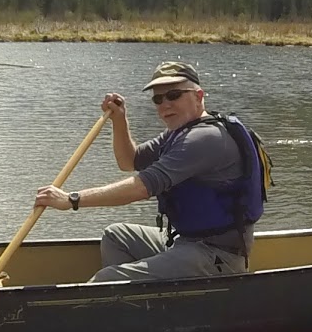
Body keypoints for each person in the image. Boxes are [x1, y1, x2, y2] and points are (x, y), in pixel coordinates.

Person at [34, 60, 265, 283]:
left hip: (217, 256)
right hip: (187, 241)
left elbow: (142, 187)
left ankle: (119, 293)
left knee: (108, 279)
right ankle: (137, 301)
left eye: (174, 95)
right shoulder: (178, 133)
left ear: (198, 96)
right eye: (158, 99)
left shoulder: (205, 138)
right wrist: (119, 119)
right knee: (117, 236)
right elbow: (129, 161)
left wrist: (72, 200)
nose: (165, 104)